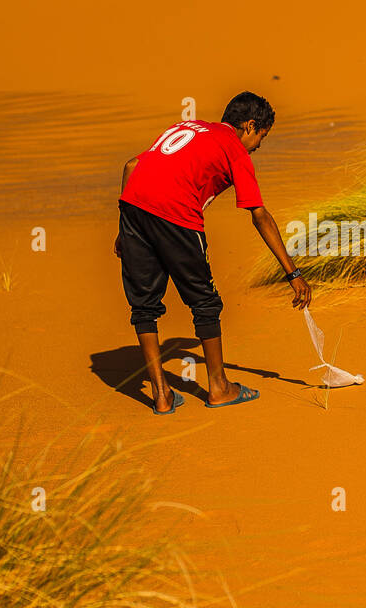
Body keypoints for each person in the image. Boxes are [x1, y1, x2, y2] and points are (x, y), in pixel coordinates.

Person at [114, 91, 310, 413]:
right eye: (261, 136)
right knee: (205, 302)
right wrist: (294, 273)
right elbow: (259, 214)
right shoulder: (235, 151)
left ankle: (162, 396)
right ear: (249, 126)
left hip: (133, 205)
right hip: (176, 214)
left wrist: (125, 229)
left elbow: (131, 165)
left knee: (144, 306)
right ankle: (219, 388)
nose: (259, 145)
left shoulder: (186, 127)